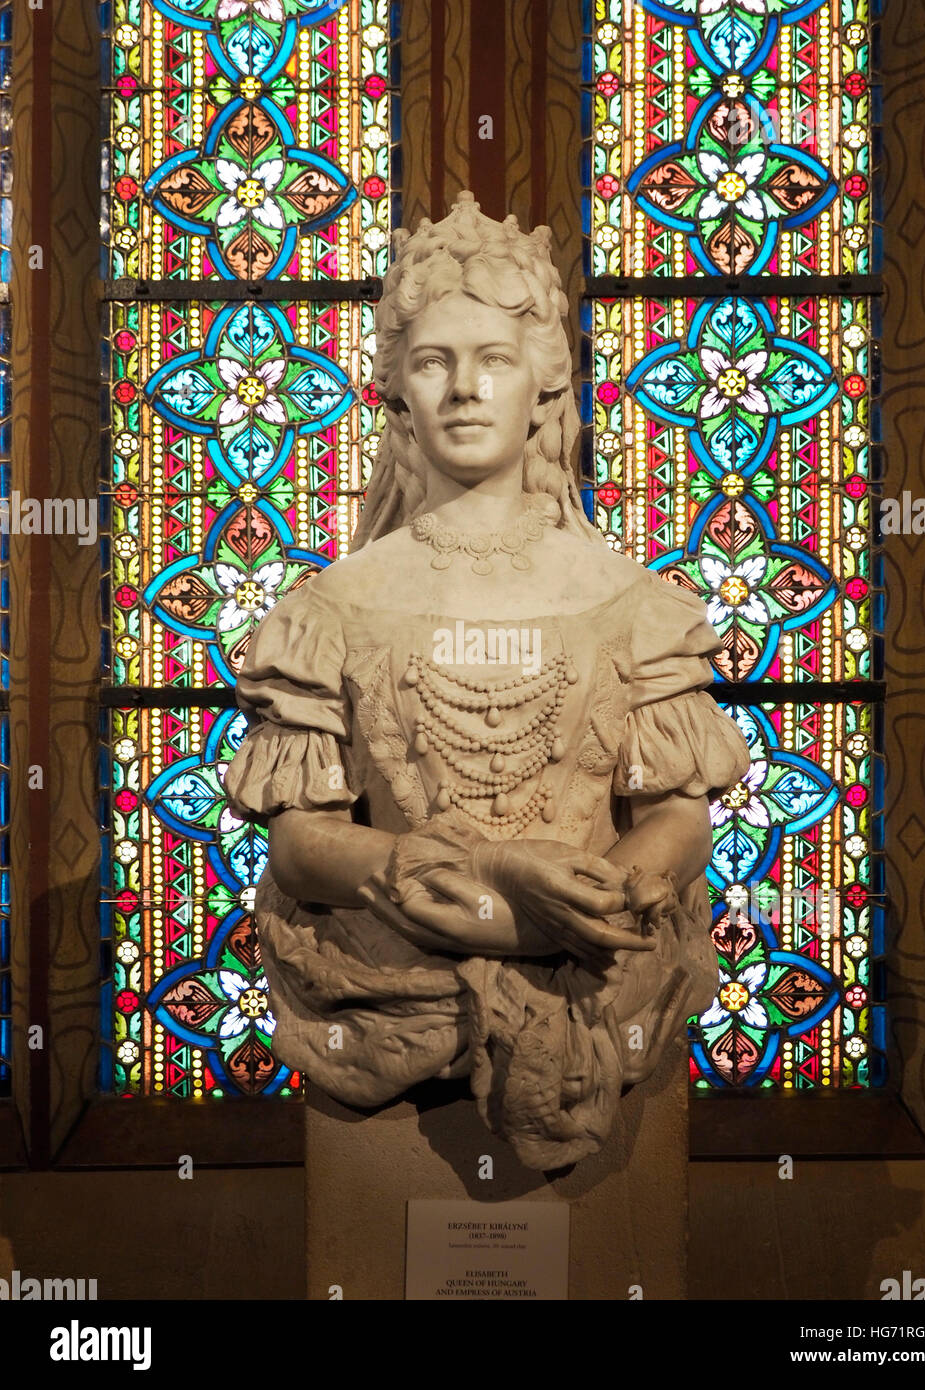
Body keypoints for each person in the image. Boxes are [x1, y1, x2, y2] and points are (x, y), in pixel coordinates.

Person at [224, 192, 751, 1170]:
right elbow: (299, 846)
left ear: (543, 385)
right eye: (434, 362)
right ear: (397, 389)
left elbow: (680, 819)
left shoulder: (633, 604)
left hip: (598, 978)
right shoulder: (329, 610)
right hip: (390, 996)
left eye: (493, 360)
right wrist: (463, 881)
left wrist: (608, 893)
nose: (464, 388)